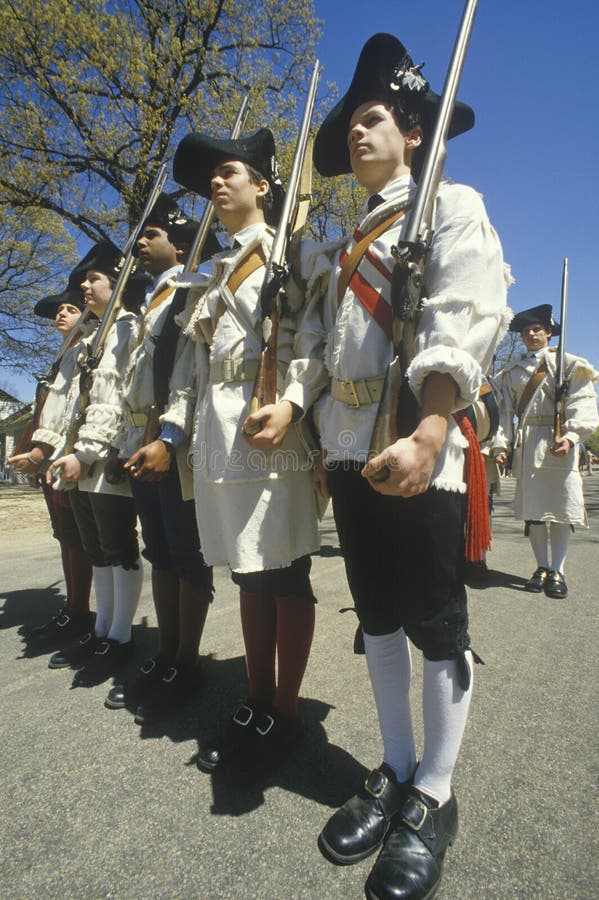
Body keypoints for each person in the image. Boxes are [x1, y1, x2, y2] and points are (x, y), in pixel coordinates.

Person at [308, 34, 509, 900]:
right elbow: (322, 345)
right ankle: (391, 766)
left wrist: (431, 430)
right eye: (352, 121)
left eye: (375, 118)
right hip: (352, 448)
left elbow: (464, 314)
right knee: (379, 614)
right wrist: (304, 413)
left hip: (419, 445)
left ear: (415, 133)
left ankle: (435, 788)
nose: (358, 132)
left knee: (434, 621)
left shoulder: (450, 207)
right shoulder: (342, 238)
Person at [171, 126, 327, 769]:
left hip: (272, 421)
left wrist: (292, 402)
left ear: (263, 186)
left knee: (284, 566)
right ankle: (257, 696)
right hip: (219, 428)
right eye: (213, 176)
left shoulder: (294, 250)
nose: (218, 181)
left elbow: (316, 336)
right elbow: (194, 361)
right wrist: (180, 432)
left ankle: (286, 708)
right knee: (244, 565)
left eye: (231, 171)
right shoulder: (206, 271)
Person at [105, 195, 218, 723]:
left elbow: (188, 373)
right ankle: (167, 653)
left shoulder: (189, 288)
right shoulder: (149, 300)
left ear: (178, 240)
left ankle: (188, 662)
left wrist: (171, 438)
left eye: (151, 234)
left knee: (186, 551)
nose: (141, 244)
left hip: (176, 438)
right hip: (141, 438)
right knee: (160, 550)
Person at [47, 241, 147, 688]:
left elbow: (114, 399)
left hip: (108, 453)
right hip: (79, 455)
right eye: (85, 279)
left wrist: (87, 451)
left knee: (117, 547)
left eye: (94, 279)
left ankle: (121, 636)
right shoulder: (89, 339)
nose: (85, 286)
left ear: (118, 283)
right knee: (97, 550)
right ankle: (103, 628)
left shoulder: (127, 329)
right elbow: (70, 402)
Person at [8, 273, 94, 646]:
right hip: (49, 458)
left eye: (70, 308)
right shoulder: (62, 355)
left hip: (71, 457)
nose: (61, 315)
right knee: (65, 536)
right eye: (58, 310)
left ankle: (81, 612)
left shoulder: (87, 350)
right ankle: (72, 609)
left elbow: (75, 410)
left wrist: (53, 455)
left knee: (79, 538)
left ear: (87, 316)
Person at [492, 304, 599, 599]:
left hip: (558, 444)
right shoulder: (510, 372)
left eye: (537, 329)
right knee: (535, 514)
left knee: (561, 510)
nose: (531, 335)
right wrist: (502, 445)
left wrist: (573, 435)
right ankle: (541, 567)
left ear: (549, 333)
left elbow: (583, 402)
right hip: (527, 447)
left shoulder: (569, 365)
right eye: (526, 331)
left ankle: (558, 570)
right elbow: (504, 412)